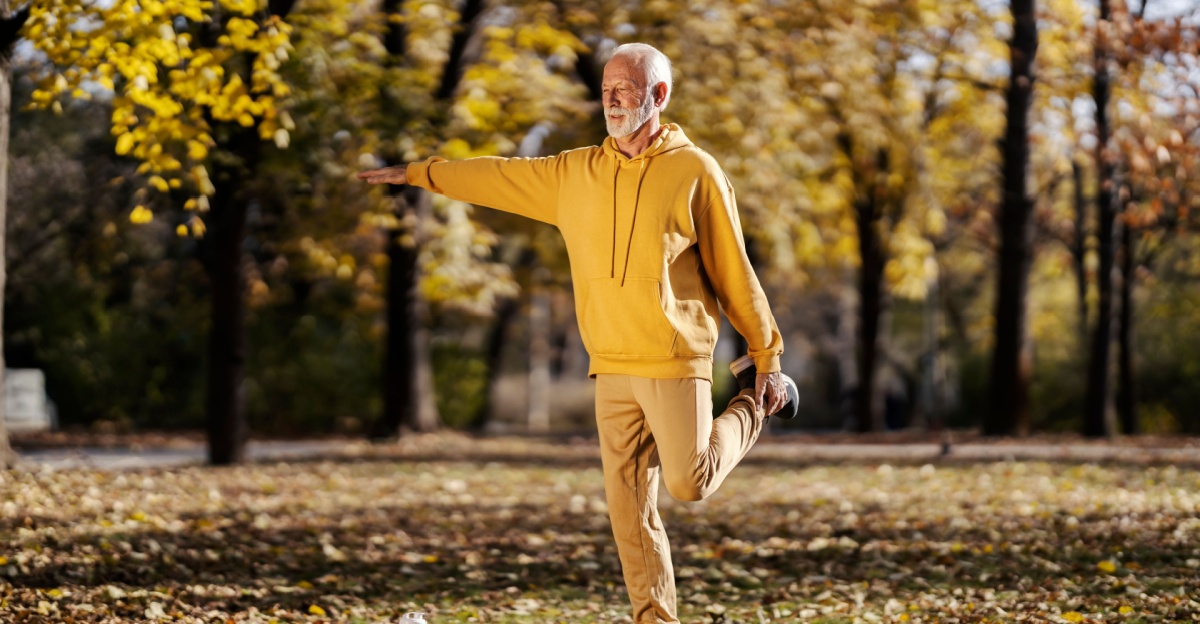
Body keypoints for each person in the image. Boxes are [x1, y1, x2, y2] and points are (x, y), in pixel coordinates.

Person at [358, 42, 798, 624]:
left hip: (673, 357)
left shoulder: (696, 172)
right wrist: (420, 174)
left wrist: (765, 353)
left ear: (658, 96)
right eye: (606, 90)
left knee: (689, 484)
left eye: (626, 90)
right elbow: (496, 175)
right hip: (610, 364)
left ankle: (754, 406)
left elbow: (733, 270)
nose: (612, 101)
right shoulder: (575, 173)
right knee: (629, 513)